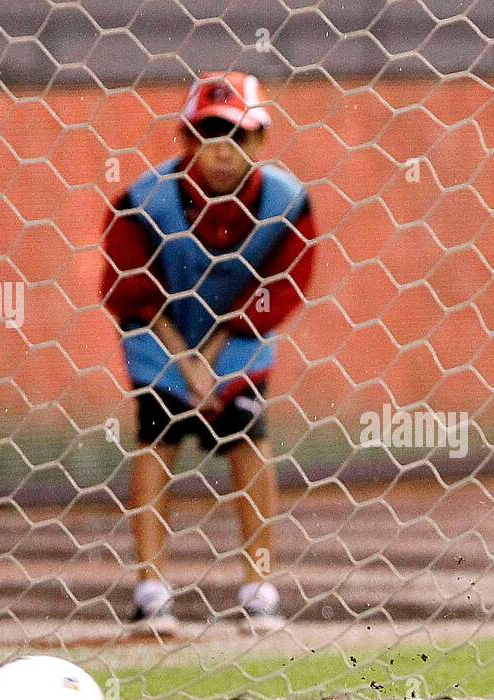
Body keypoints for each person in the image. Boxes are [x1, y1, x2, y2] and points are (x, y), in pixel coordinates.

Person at [101, 72, 316, 633]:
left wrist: (215, 352)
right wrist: (183, 359)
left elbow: (284, 283)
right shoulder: (141, 203)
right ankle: (151, 590)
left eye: (235, 137)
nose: (220, 151)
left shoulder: (287, 204)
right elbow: (129, 287)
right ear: (185, 139)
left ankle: (258, 586)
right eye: (207, 135)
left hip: (239, 338)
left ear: (260, 141)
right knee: (156, 439)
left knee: (250, 439)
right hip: (159, 335)